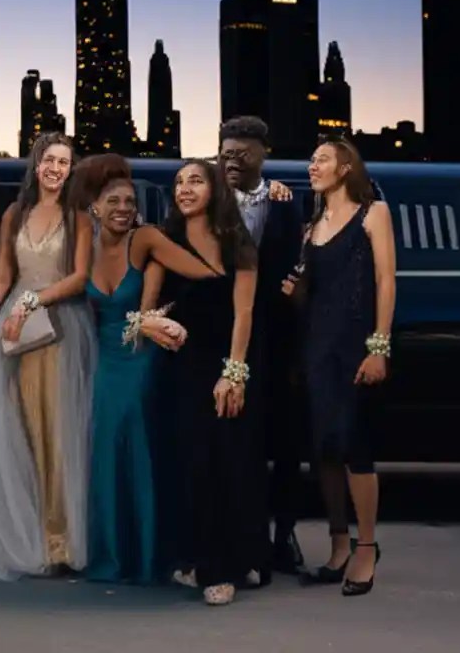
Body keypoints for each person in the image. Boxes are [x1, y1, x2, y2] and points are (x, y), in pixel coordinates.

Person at [0, 132, 97, 580]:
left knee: (59, 434)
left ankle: (63, 543)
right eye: (49, 160)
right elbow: (2, 275)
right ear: (36, 165)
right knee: (20, 433)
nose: (56, 169)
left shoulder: (79, 218)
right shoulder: (15, 214)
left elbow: (79, 277)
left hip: (61, 329)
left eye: (64, 162)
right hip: (15, 331)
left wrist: (36, 301)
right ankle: (31, 539)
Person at [81, 154, 215, 585]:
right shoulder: (85, 247)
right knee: (106, 451)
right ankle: (112, 554)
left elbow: (207, 272)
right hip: (104, 363)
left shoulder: (146, 239)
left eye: (130, 202)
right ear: (94, 208)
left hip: (141, 360)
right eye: (113, 201)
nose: (123, 208)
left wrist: (160, 314)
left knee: (140, 445)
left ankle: (149, 554)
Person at [145, 159, 264, 606]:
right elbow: (147, 310)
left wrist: (233, 373)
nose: (185, 189)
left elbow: (244, 312)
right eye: (179, 182)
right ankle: (201, 560)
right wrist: (153, 324)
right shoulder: (165, 241)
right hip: (181, 370)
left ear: (214, 189)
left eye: (195, 180)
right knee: (193, 465)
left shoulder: (237, 241)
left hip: (227, 364)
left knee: (230, 464)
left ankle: (230, 564)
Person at [288, 138, 395, 597]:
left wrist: (379, 346)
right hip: (317, 347)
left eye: (322, 159)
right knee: (324, 449)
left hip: (355, 345)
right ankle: (338, 546)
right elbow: (309, 295)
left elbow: (385, 279)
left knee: (355, 446)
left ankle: (366, 547)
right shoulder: (311, 226)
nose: (312, 167)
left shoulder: (373, 213)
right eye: (311, 161)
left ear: (346, 166)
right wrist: (294, 291)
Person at [219, 116, 305, 578]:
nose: (233, 160)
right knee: (236, 441)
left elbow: (298, 265)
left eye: (242, 153)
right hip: (223, 336)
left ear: (263, 154)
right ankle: (239, 537)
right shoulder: (207, 199)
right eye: (226, 152)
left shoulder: (286, 203)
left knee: (285, 441)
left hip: (275, 338)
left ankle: (283, 535)